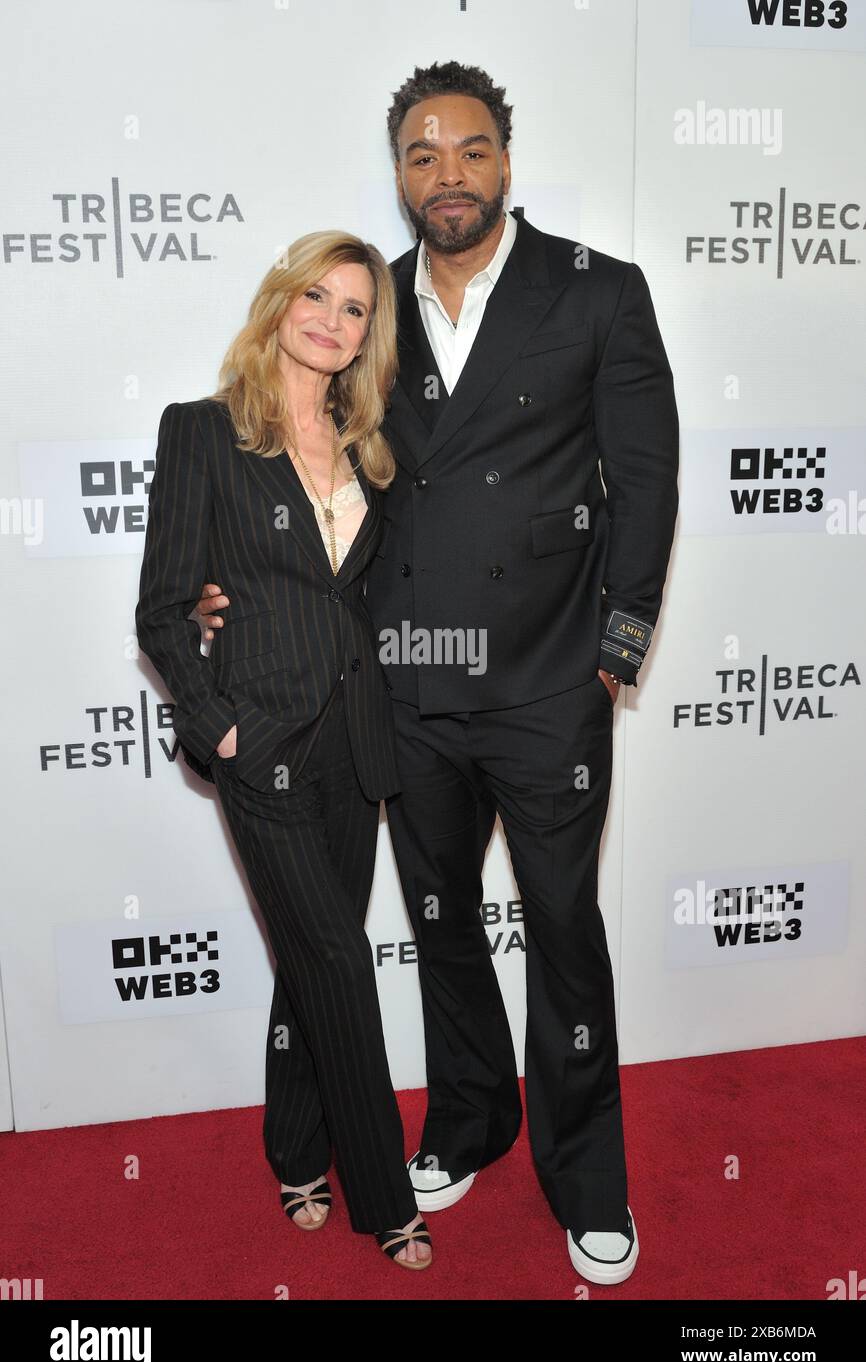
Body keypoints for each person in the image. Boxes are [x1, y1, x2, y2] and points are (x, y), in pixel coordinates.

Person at [196, 59, 679, 1285]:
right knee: (439, 921)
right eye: (420, 154)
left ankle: (587, 1176)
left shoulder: (597, 292)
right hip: (407, 677)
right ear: (399, 174)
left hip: (548, 680)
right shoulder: (373, 311)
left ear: (504, 162)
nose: (445, 174)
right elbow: (310, 466)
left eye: (468, 150)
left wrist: (614, 651)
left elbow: (646, 478)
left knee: (563, 928)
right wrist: (227, 585)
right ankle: (467, 1118)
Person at [135, 231, 432, 1270]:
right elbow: (165, 609)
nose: (333, 320)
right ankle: (385, 1198)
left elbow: (354, 599)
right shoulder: (205, 433)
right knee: (342, 962)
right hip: (258, 742)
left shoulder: (368, 448)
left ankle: (295, 1151)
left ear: (366, 336)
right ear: (280, 301)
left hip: (354, 744)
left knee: (314, 958)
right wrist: (217, 724)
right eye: (318, 295)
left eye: (355, 309)